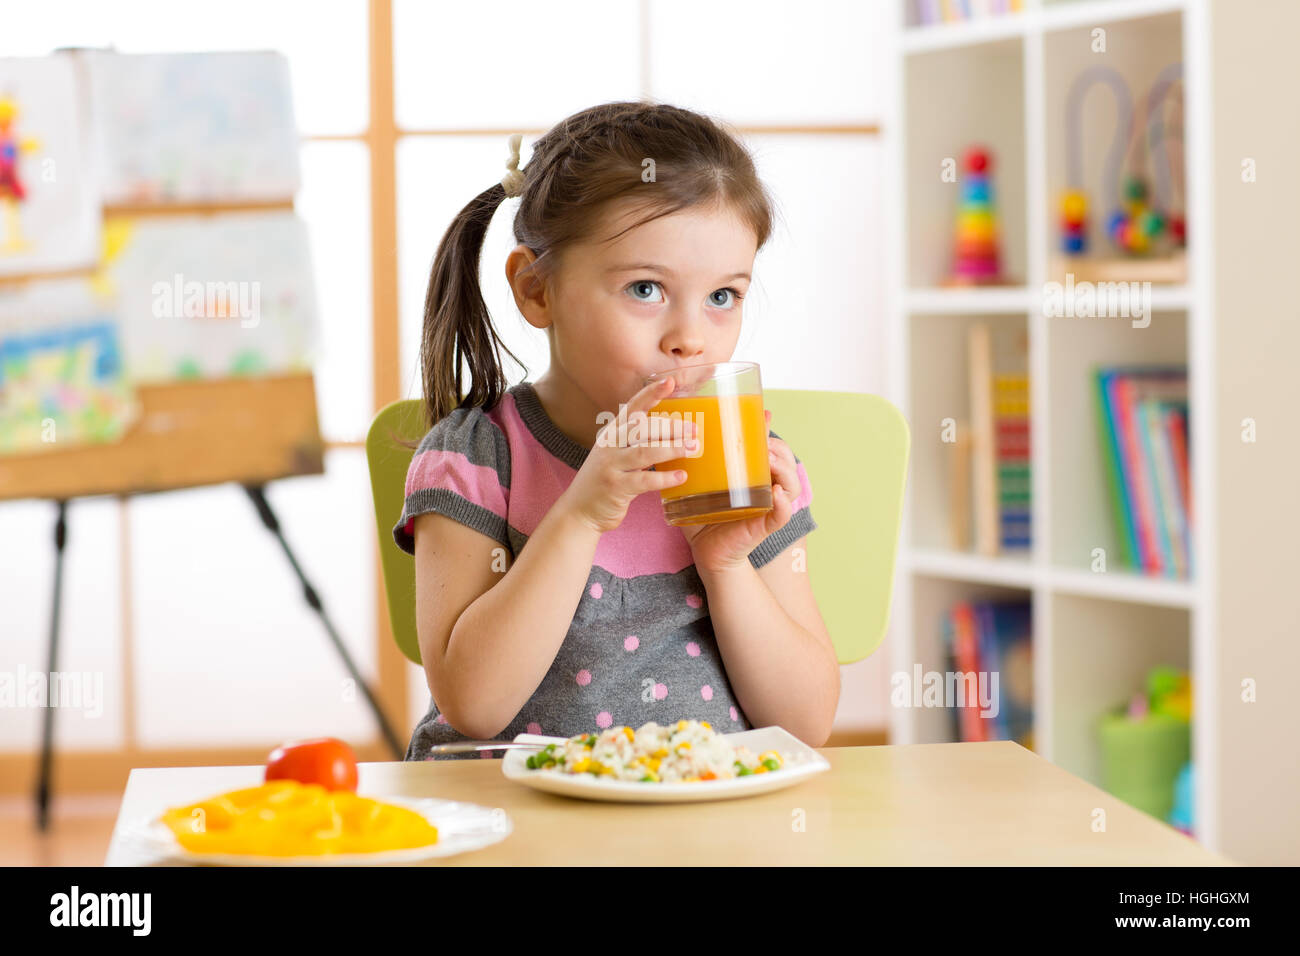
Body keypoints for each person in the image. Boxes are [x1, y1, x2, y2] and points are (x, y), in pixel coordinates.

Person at [393, 100, 838, 760]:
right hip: (516, 824)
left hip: (696, 825)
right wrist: (580, 514)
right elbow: (475, 705)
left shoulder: (744, 465)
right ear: (537, 290)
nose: (690, 339)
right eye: (645, 290)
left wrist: (726, 563)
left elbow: (806, 724)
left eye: (723, 297)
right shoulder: (479, 458)